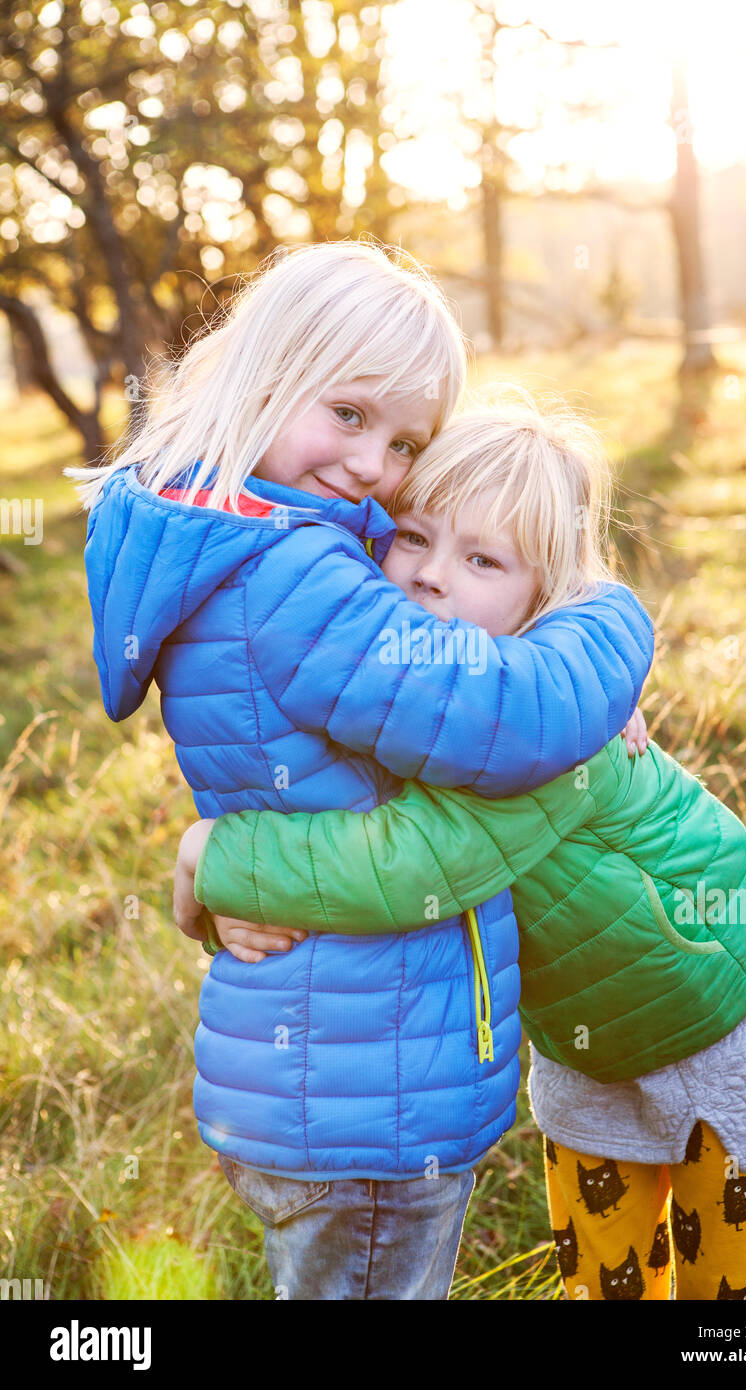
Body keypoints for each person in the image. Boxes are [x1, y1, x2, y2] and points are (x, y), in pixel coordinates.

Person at [68, 240, 654, 1301]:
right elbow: (499, 716)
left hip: (315, 1073)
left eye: (404, 441)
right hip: (369, 1094)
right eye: (348, 414)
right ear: (265, 374)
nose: (374, 466)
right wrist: (600, 618)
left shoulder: (244, 535)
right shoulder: (292, 576)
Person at [175, 400, 746, 1301]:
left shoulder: (536, 736)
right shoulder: (429, 686)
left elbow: (411, 863)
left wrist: (216, 857)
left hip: (718, 1019)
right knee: (604, 1277)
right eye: (413, 537)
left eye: (483, 560)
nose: (431, 576)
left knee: (734, 1296)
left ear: (543, 600)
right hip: (585, 1040)